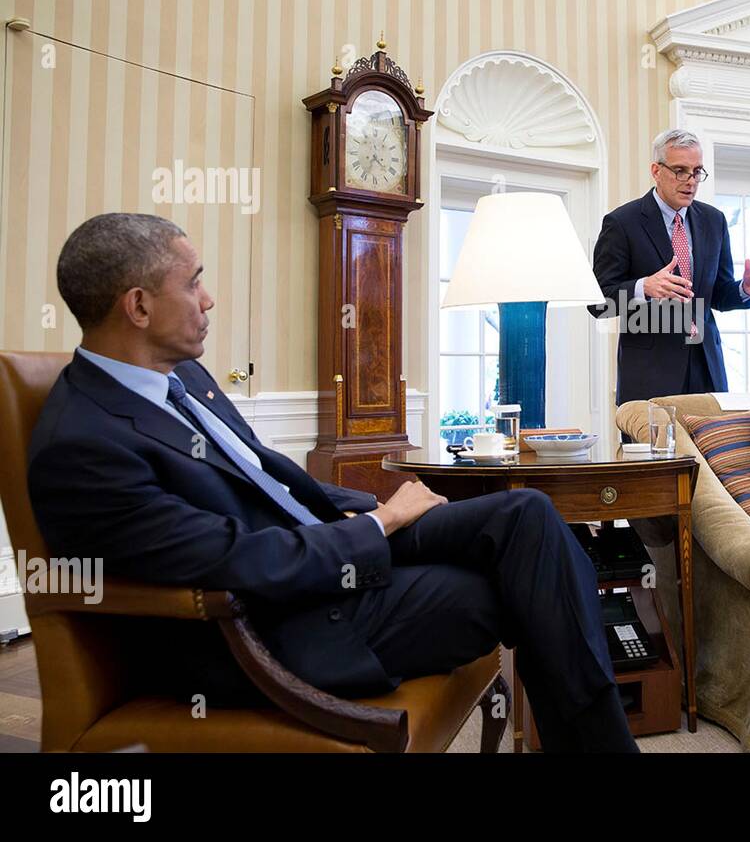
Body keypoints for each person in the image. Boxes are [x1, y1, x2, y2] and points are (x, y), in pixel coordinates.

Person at [29, 213, 636, 753]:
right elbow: (233, 561)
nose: (208, 299)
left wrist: (364, 507)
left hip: (322, 550)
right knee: (519, 589)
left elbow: (262, 474)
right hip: (272, 626)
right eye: (192, 283)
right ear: (137, 307)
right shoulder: (85, 444)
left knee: (525, 514)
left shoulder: (181, 374)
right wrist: (383, 522)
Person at [588, 128, 750, 404]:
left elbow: (719, 295)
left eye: (697, 171)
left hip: (707, 369)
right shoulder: (622, 223)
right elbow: (598, 304)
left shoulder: (714, 221)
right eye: (680, 171)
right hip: (649, 377)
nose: (690, 181)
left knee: (711, 448)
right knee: (654, 449)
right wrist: (643, 287)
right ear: (656, 170)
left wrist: (744, 289)